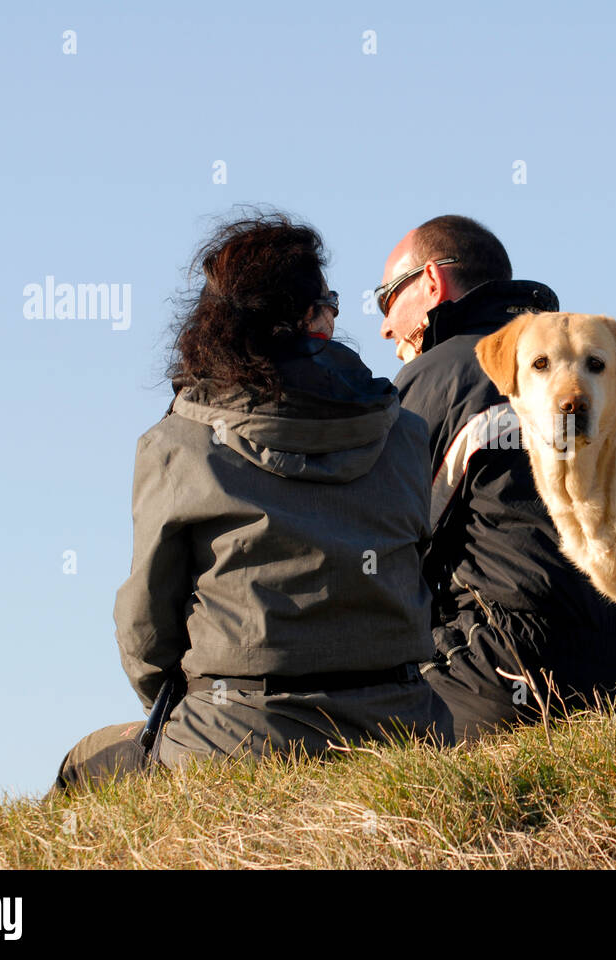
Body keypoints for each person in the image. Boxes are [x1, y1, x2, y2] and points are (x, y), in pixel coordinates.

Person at [50, 213, 452, 795]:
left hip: (235, 736)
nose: (337, 317)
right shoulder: (407, 433)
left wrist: (199, 703)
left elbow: (145, 628)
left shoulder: (176, 444)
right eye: (330, 302)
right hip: (403, 728)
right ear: (312, 319)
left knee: (83, 764)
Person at [375, 214, 616, 742]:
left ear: (431, 282)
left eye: (386, 297)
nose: (385, 326)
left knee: (355, 723)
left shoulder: (440, 374)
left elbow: (391, 547)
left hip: (508, 668)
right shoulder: (600, 373)